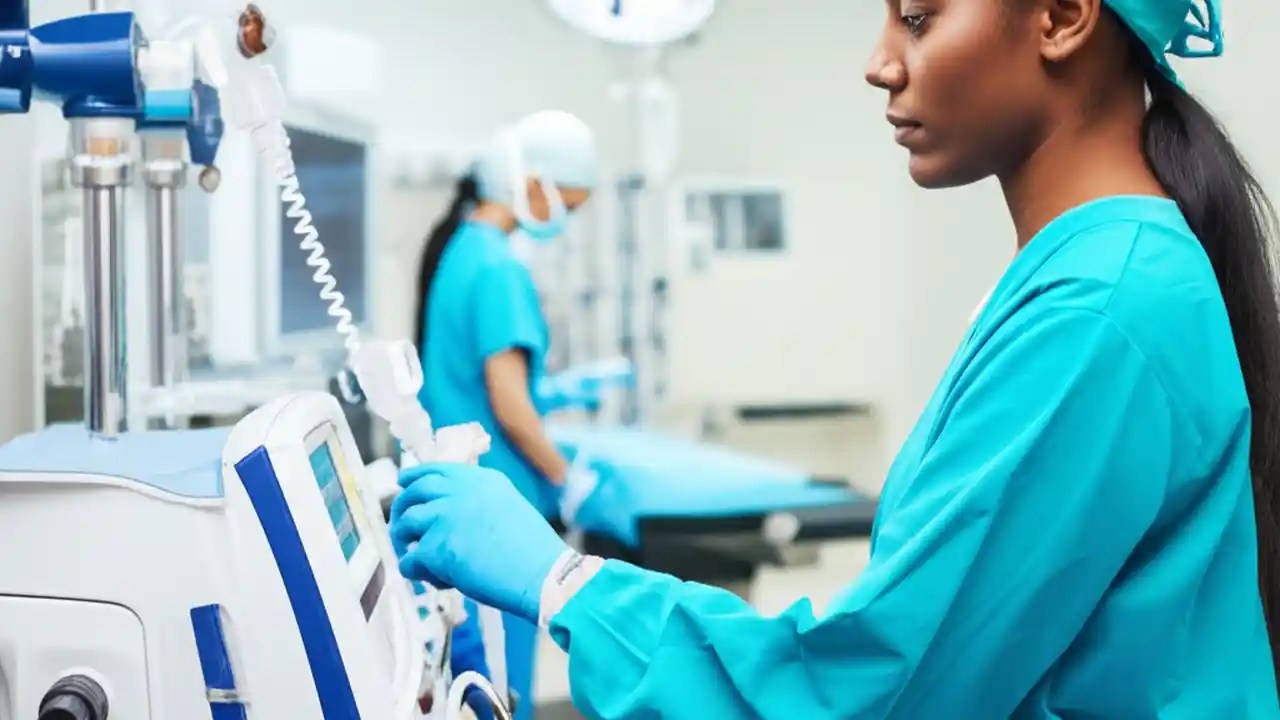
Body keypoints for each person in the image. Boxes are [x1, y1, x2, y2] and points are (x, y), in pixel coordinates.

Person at [392, 0, 1280, 716]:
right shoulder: (1094, 273)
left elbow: (874, 691)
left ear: (1062, 17)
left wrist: (562, 582)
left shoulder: (1100, 306)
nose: (880, 61)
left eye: (920, 18)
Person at [412, 110, 598, 720]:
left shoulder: (465, 247)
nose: (567, 219)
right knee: (499, 687)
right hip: (501, 512)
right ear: (533, 182)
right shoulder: (497, 267)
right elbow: (510, 405)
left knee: (470, 682)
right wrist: (568, 479)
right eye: (569, 204)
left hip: (466, 506)